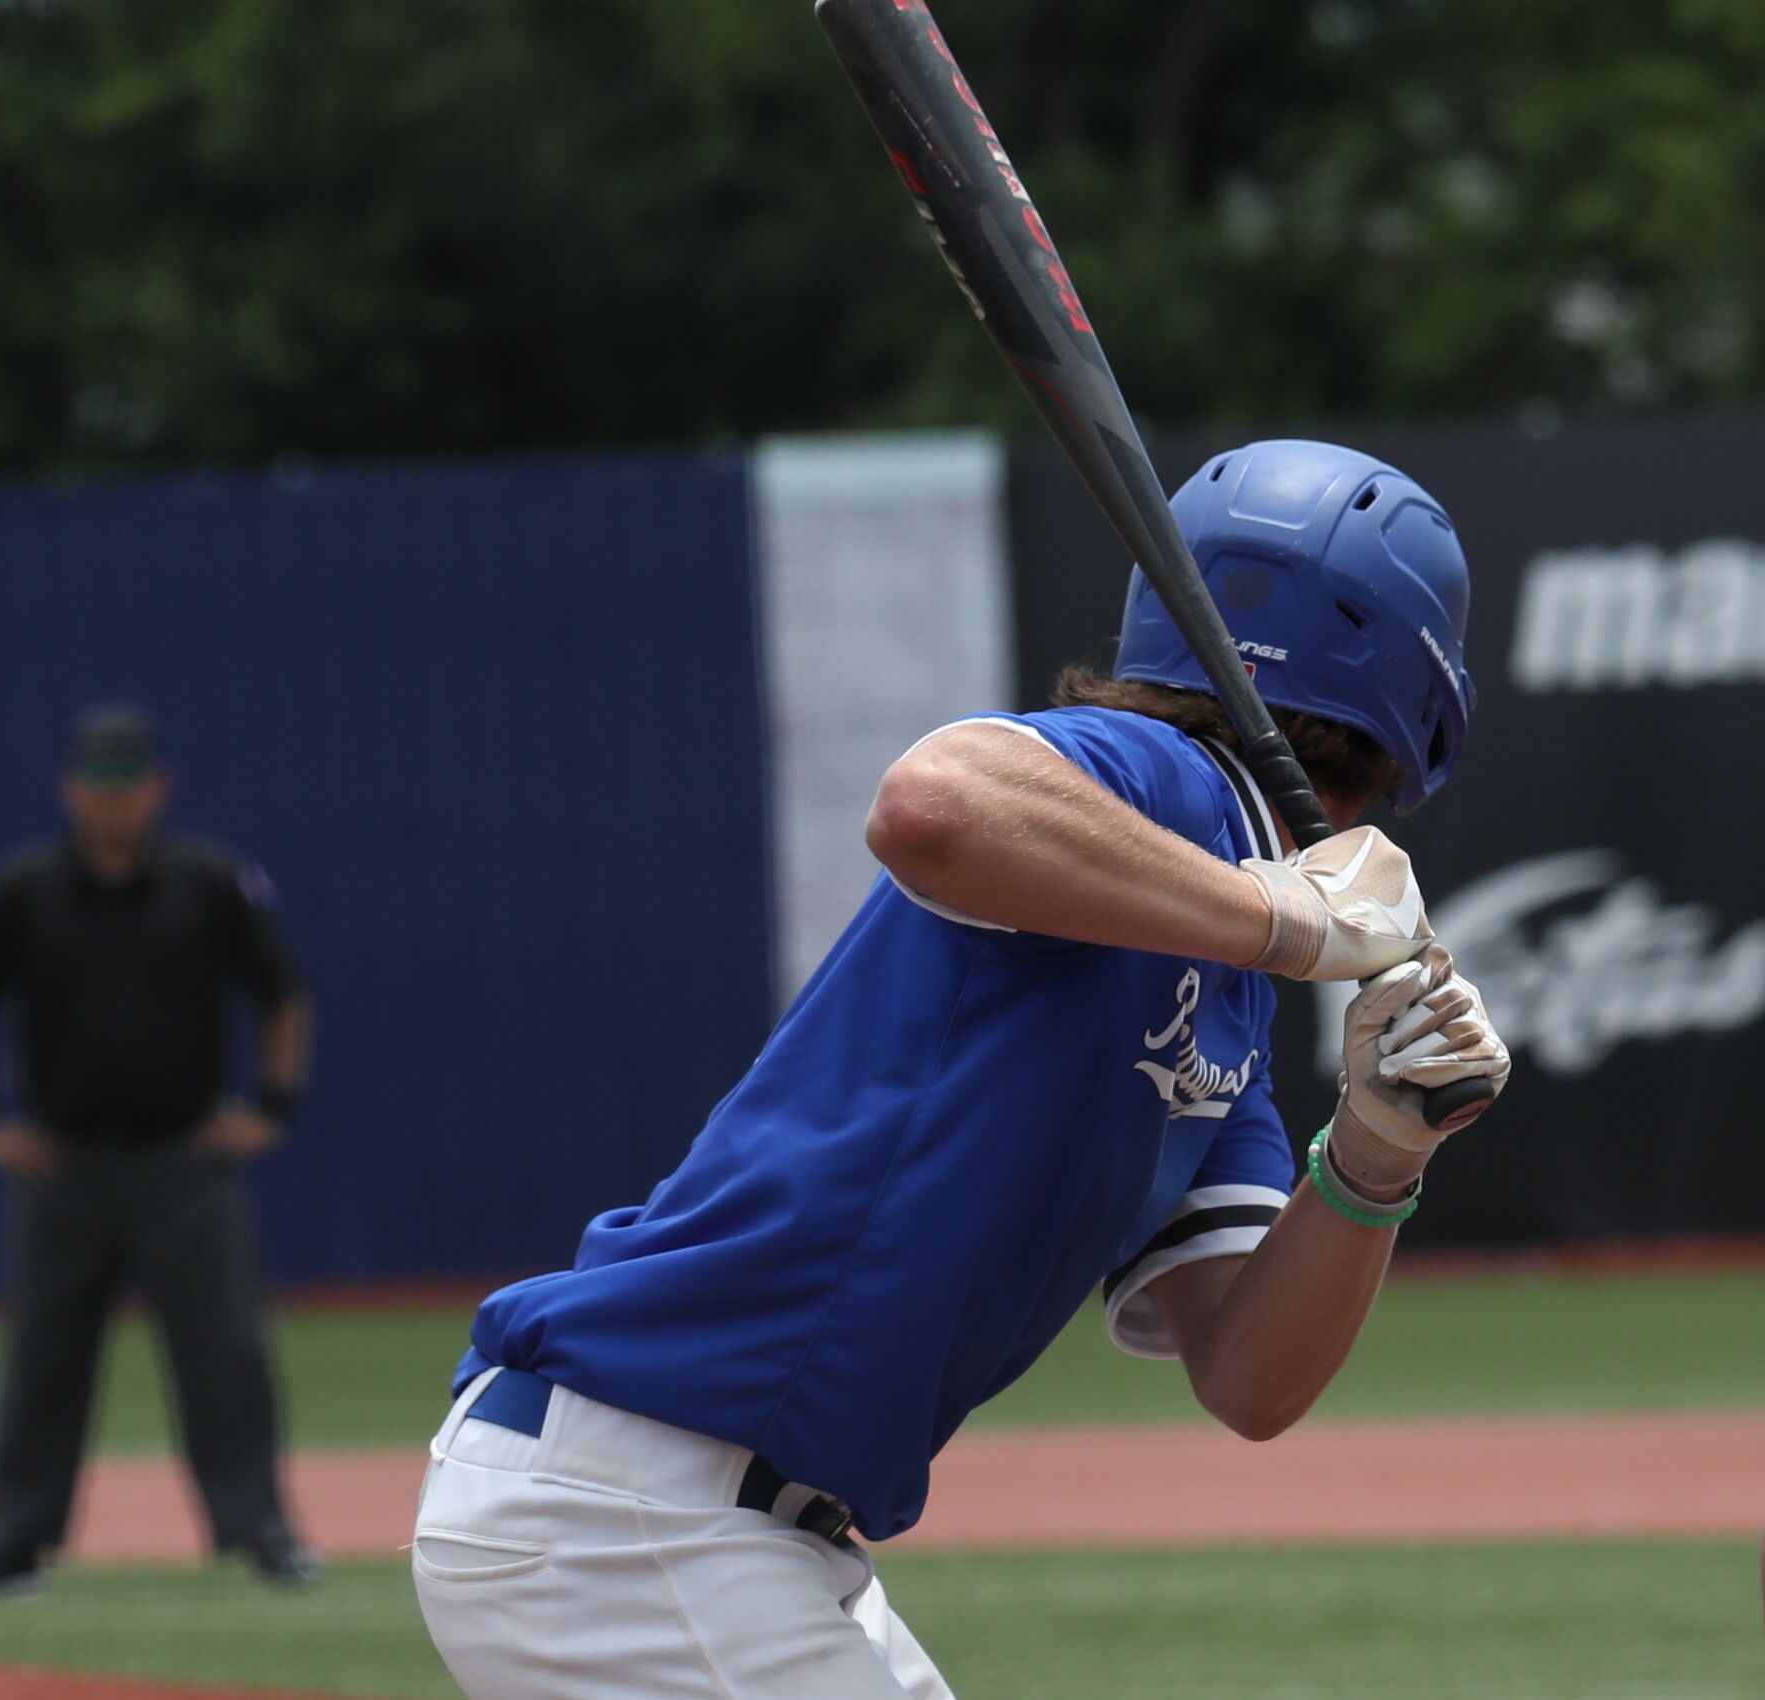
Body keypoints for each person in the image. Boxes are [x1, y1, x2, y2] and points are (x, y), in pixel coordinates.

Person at [411, 440, 1513, 1698]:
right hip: (635, 1512)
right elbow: (930, 803)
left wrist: (1378, 1146)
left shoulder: (1228, 994)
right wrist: (1287, 915)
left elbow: (1250, 1374)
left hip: (720, 1526)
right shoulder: (1163, 782)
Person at [0, 703, 319, 1595]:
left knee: (226, 1353)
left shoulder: (209, 883)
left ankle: (263, 1533)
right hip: (61, 1165)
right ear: (71, 790)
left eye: (129, 781)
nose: (114, 800)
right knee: (42, 1358)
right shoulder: (21, 892)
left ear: (158, 788)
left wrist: (272, 1106)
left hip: (184, 1161)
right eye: (98, 783)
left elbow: (282, 992)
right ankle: (10, 1544)